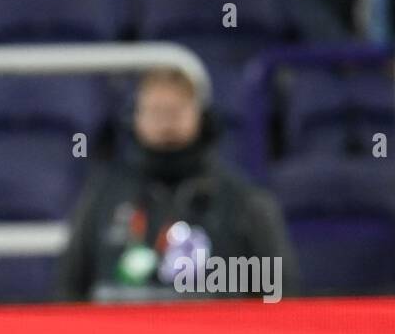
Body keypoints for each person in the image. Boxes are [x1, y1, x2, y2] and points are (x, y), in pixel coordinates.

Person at [58, 67, 299, 303]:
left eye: (174, 112)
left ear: (199, 116)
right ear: (136, 118)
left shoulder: (243, 201)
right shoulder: (103, 196)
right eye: (155, 111)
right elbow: (67, 291)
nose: (165, 123)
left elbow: (278, 295)